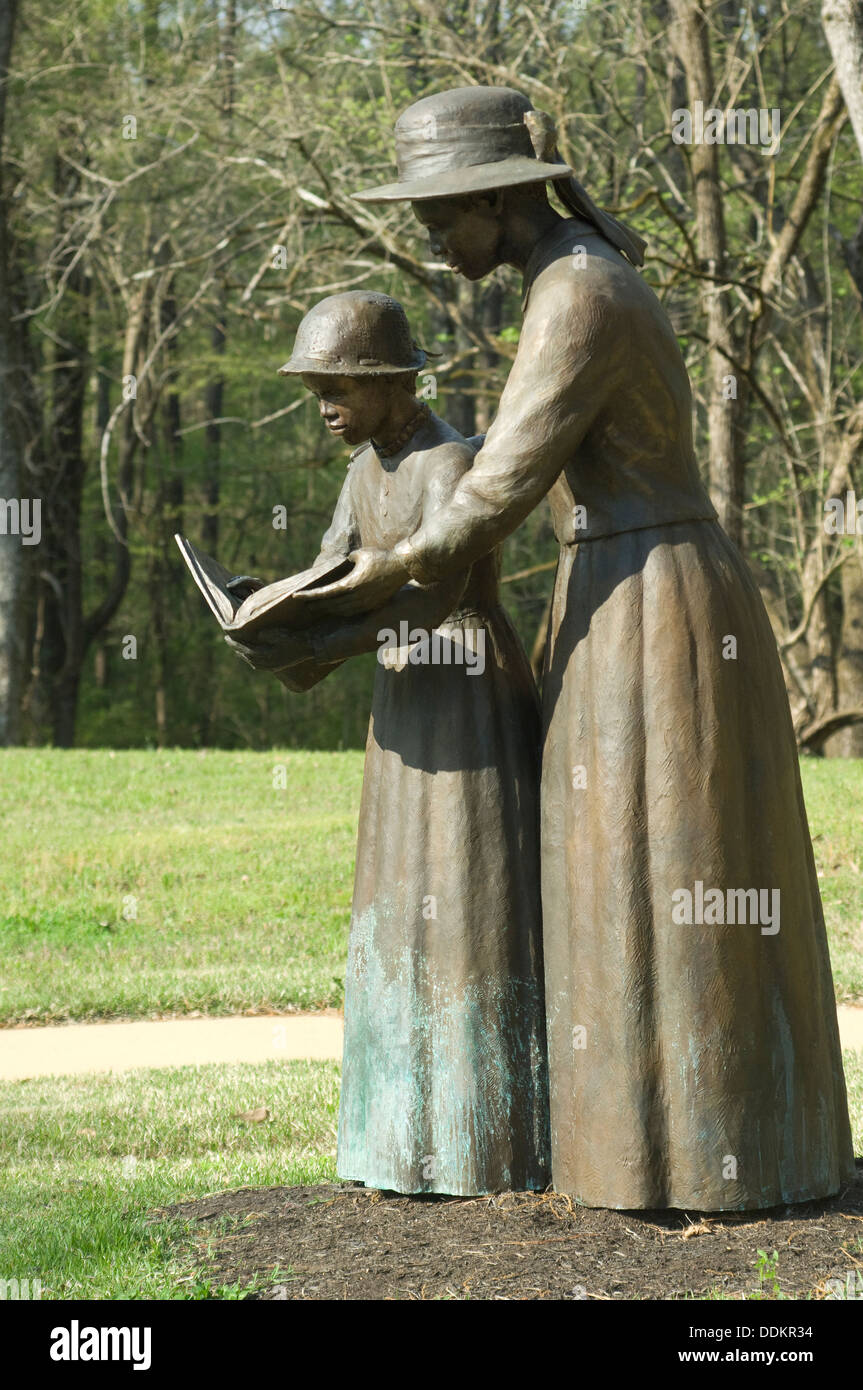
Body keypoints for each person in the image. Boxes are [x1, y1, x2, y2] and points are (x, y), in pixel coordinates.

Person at [319, 86, 856, 1210]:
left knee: (664, 870)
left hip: (650, 599)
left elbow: (492, 491)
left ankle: (713, 1155)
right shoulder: (563, 282)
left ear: (498, 198)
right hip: (608, 584)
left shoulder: (579, 296)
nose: (429, 240)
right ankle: (631, 1152)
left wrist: (378, 572)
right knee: (613, 873)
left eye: (438, 217)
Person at [227, 290, 550, 1196]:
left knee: (468, 884)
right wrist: (264, 608)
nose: (323, 406)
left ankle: (483, 1136)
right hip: (402, 695)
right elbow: (335, 567)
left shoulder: (449, 461)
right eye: (315, 390)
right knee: (400, 894)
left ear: (389, 382)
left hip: (461, 684)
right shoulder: (362, 469)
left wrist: (321, 642)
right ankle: (398, 1134)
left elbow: (427, 597)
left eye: (337, 387)